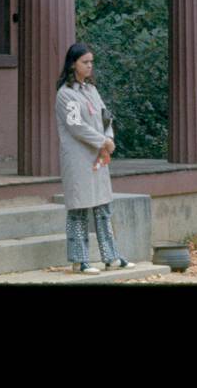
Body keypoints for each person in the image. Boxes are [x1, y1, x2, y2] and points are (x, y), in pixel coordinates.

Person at [55, 42, 134, 274]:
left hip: (98, 158)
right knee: (79, 209)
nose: (90, 66)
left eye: (91, 62)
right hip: (78, 160)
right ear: (73, 64)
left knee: (103, 208)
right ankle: (80, 261)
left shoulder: (91, 90)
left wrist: (109, 138)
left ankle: (111, 256)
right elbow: (75, 126)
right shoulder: (65, 95)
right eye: (85, 62)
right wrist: (102, 142)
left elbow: (105, 116)